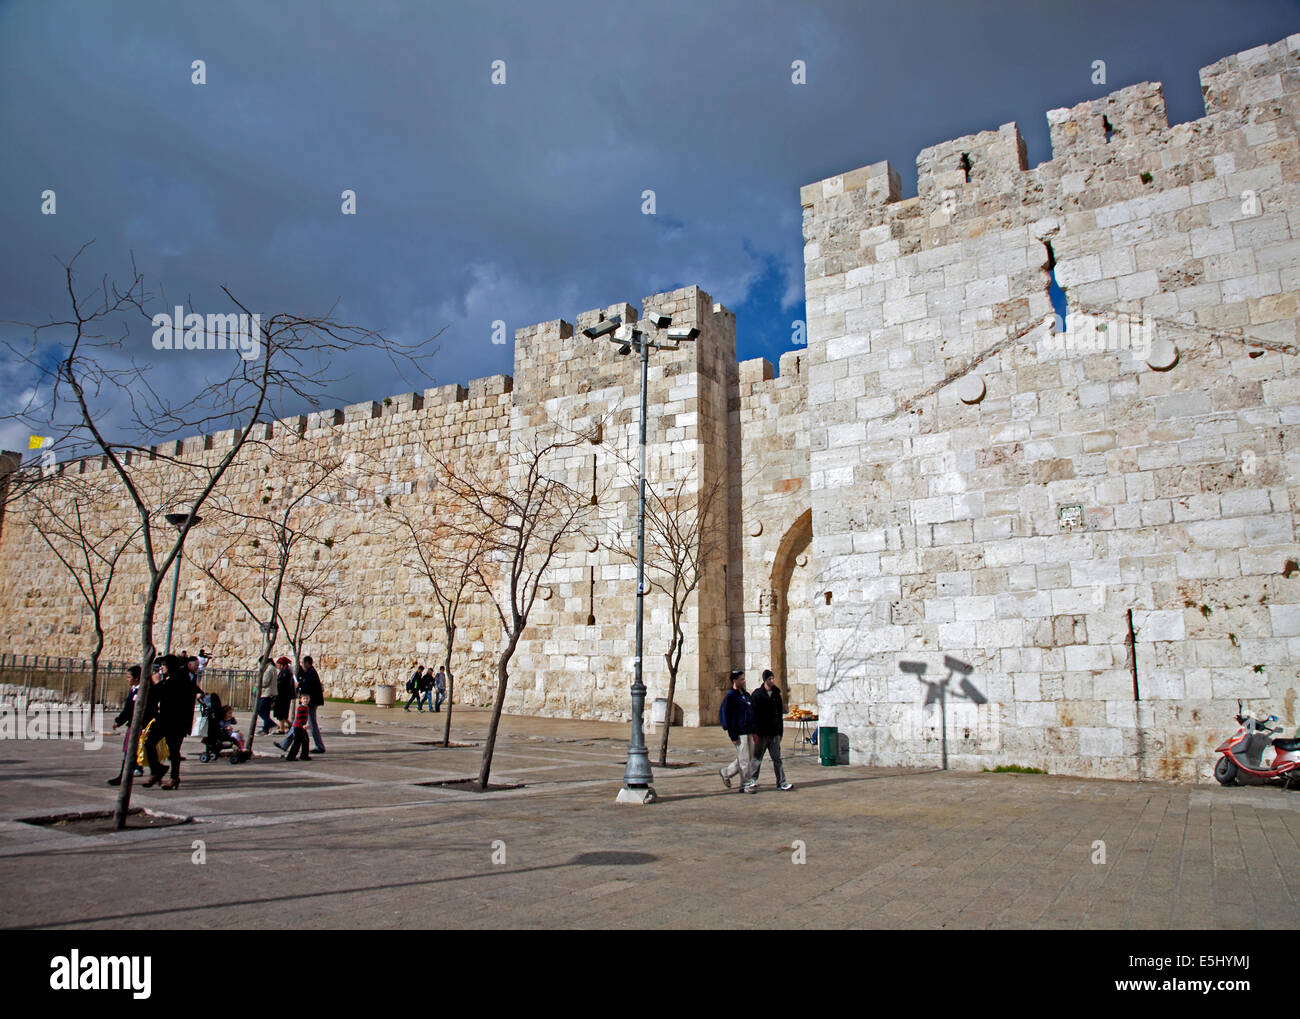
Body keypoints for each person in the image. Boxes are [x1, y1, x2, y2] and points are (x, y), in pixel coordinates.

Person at [142, 654, 201, 790]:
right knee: (149, 743)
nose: (161, 667)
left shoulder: (178, 679)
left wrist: (156, 682)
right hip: (164, 719)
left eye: (163, 665)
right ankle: (157, 769)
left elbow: (162, 692)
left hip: (176, 722)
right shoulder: (173, 678)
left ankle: (173, 777)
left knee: (173, 750)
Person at [751, 669, 793, 791]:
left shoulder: (776, 694)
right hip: (761, 733)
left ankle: (781, 782)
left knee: (777, 759)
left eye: (773, 678)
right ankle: (751, 780)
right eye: (770, 679)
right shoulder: (757, 695)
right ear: (765, 680)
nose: (772, 680)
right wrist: (754, 731)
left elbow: (779, 715)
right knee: (757, 758)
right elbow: (752, 714)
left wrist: (780, 733)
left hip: (774, 733)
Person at [718, 669, 757, 793]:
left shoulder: (746, 695)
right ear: (735, 681)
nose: (744, 681)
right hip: (740, 732)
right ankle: (745, 785)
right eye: (741, 679)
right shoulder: (731, 697)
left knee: (747, 758)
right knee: (744, 760)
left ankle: (727, 772)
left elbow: (752, 713)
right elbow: (727, 716)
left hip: (749, 731)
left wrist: (755, 731)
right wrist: (733, 735)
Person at [107, 665, 146, 786]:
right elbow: (127, 710)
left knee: (131, 750)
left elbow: (130, 710)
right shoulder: (134, 690)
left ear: (137, 678)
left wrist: (119, 721)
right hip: (133, 724)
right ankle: (130, 772)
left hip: (139, 725)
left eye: (129, 677)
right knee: (130, 751)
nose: (127, 679)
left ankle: (125, 775)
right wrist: (119, 721)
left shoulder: (143, 691)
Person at [298, 655, 326, 754]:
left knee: (311, 724)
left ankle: (319, 746)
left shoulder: (311, 673)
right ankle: (285, 743)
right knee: (302, 723)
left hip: (311, 702)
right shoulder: (310, 673)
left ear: (307, 663)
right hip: (310, 701)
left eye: (303, 663)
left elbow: (307, 687)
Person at [282, 691, 312, 761]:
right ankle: (291, 756)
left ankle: (304, 755)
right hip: (298, 727)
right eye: (304, 699)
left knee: (305, 740)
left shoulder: (306, 707)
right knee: (297, 742)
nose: (306, 700)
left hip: (301, 727)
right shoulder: (301, 708)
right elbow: (299, 718)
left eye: (307, 699)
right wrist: (303, 725)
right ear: (301, 700)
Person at [256, 656, 278, 734]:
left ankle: (271, 724)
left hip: (267, 694)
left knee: (260, 710)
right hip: (271, 693)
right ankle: (266, 729)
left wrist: (257, 684)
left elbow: (265, 682)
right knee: (266, 712)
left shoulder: (269, 670)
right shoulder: (273, 668)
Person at [273, 656, 294, 734]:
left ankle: (282, 729)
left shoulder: (285, 672)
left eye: (278, 664)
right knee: (282, 713)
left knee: (281, 713)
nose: (277, 665)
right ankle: (290, 724)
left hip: (283, 696)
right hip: (284, 696)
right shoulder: (285, 671)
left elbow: (281, 684)